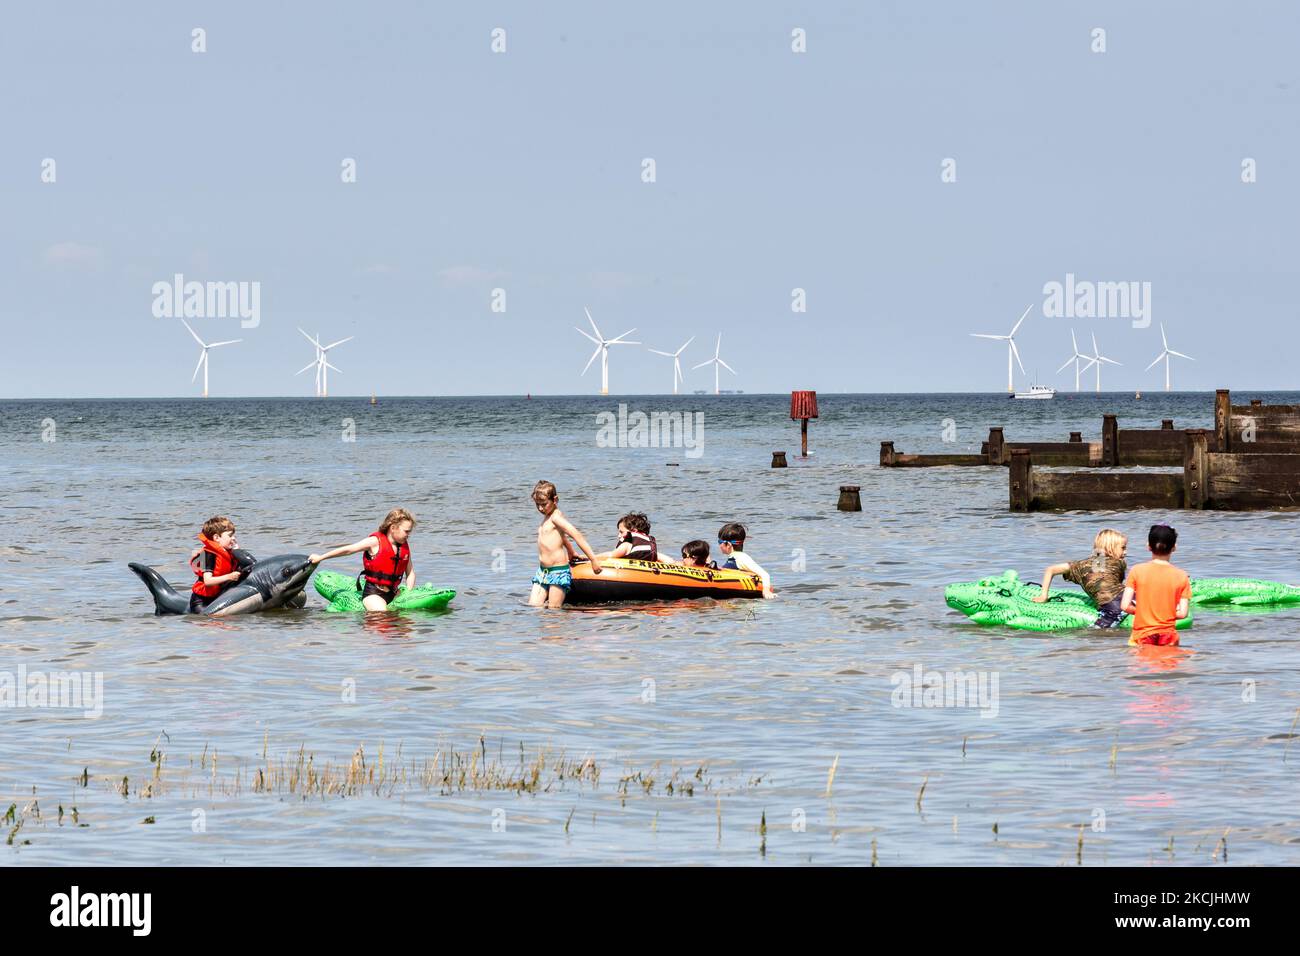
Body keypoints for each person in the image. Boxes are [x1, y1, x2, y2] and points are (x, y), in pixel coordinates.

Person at [309, 508, 416, 611]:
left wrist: (408, 593)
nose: (408, 535)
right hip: (374, 593)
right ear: (393, 528)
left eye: (410, 532)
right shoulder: (374, 542)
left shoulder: (403, 547)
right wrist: (321, 557)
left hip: (394, 592)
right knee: (384, 616)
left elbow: (410, 572)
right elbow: (348, 550)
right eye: (406, 531)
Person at [1032, 528, 1129, 628]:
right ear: (1110, 548)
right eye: (1123, 548)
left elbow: (1050, 569)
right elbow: (1121, 587)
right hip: (1119, 602)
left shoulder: (1080, 565)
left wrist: (1044, 596)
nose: (1125, 552)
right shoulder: (1119, 563)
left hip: (1111, 605)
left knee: (1100, 630)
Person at [529, 480, 602, 608]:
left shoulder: (556, 517)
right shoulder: (547, 515)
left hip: (557, 572)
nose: (540, 508)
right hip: (542, 572)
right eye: (537, 505)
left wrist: (593, 560)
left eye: (544, 504)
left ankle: (567, 626)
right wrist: (571, 552)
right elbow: (561, 537)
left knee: (554, 613)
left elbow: (576, 535)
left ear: (555, 500)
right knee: (533, 607)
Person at [1121, 523, 1191, 646]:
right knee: (1168, 662)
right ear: (1174, 547)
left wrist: (1144, 613)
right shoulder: (1182, 575)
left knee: (1143, 663)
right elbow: (1183, 613)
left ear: (1148, 546)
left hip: (1142, 634)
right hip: (1168, 635)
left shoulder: (1137, 571)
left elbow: (1125, 606)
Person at [189, 516, 246, 613]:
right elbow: (207, 581)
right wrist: (229, 576)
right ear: (216, 538)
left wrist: (238, 551)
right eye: (230, 535)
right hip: (201, 602)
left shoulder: (228, 552)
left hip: (217, 596)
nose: (233, 538)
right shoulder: (208, 555)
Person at [716, 522, 776, 598]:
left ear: (728, 545)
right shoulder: (734, 557)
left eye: (719, 542)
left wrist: (766, 591)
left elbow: (765, 575)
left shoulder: (741, 558)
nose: (719, 545)